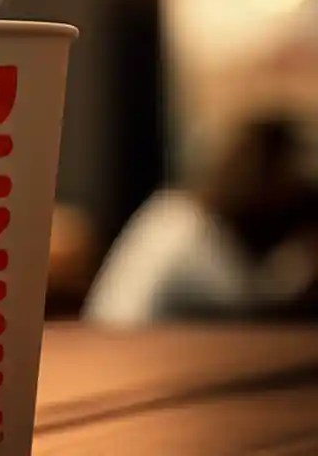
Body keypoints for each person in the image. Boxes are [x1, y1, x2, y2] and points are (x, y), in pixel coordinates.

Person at [84, 116, 318, 325]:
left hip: (126, 353)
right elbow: (248, 309)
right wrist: (300, 270)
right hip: (128, 360)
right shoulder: (191, 232)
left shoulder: (174, 210)